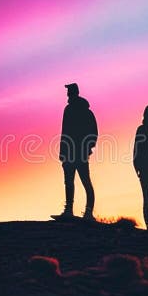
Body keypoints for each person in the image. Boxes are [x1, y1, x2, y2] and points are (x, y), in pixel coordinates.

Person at [52, 83, 98, 221]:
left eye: (69, 92)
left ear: (74, 93)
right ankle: (69, 211)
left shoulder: (85, 112)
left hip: (79, 154)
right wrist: (63, 152)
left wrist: (87, 149)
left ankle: (88, 213)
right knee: (70, 182)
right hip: (69, 154)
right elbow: (65, 133)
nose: (67, 94)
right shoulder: (68, 110)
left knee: (85, 182)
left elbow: (93, 133)